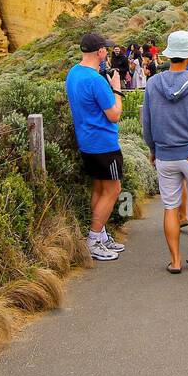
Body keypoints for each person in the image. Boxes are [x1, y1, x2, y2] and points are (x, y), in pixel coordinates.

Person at [141, 30, 188, 274]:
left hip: (165, 155)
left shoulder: (152, 84)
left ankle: (175, 260)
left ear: (170, 56)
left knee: (170, 207)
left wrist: (153, 149)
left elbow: (147, 124)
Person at [65, 33, 126, 262]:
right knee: (113, 190)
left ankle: (99, 234)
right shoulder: (97, 80)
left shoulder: (73, 73)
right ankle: (93, 239)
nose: (107, 53)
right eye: (105, 50)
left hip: (87, 141)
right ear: (100, 52)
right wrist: (117, 90)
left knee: (100, 189)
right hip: (104, 143)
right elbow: (114, 115)